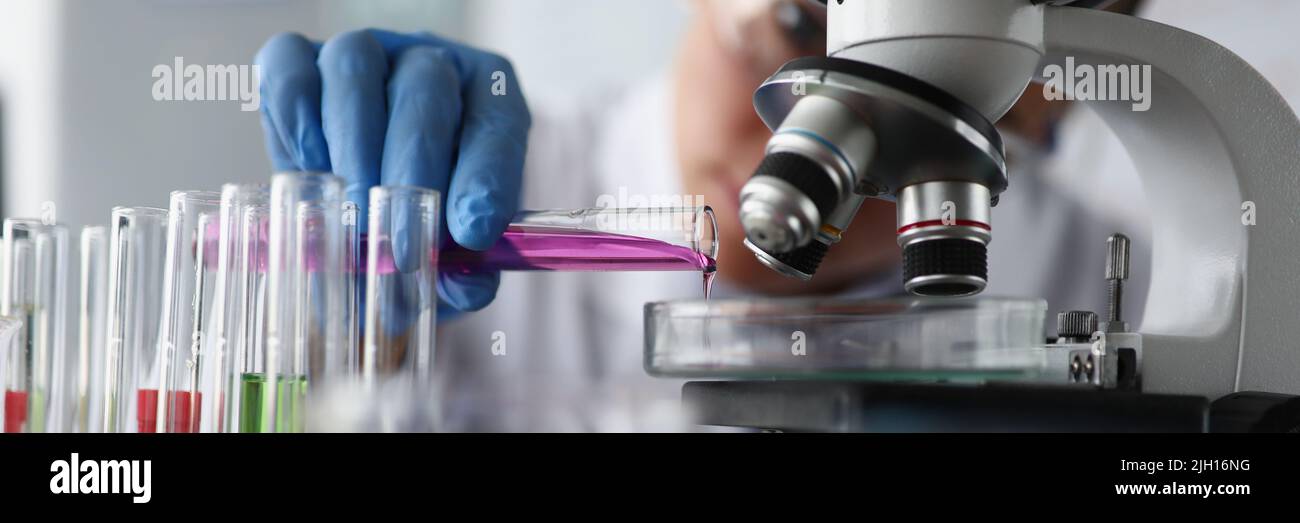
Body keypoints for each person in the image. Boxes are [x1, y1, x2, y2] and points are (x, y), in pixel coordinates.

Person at [255, 0, 1148, 431]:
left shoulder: (1118, 292)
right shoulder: (467, 189)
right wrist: (337, 323)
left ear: (1036, 118)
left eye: (929, 109)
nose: (787, 148)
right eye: (798, 24)